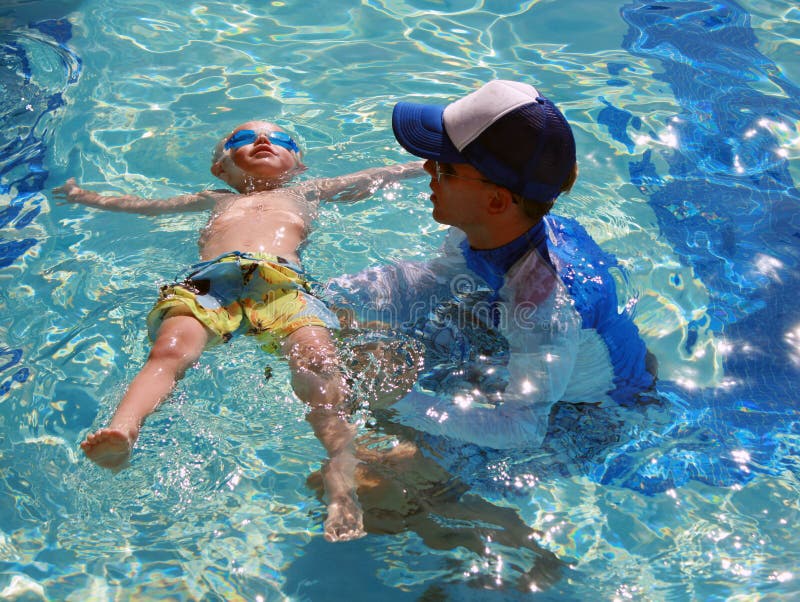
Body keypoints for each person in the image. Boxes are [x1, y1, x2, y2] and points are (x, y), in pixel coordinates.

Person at [53, 120, 424, 542]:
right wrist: (88, 198)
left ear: (298, 164)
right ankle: (125, 429)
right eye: (243, 139)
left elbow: (378, 176)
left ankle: (342, 468)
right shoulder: (214, 198)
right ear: (221, 168)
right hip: (212, 280)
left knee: (318, 360)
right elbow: (147, 206)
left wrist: (432, 164)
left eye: (281, 140)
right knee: (169, 349)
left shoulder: (307, 191)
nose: (264, 140)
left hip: (283, 282)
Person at [326, 80, 656, 450]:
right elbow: (434, 281)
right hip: (524, 352)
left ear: (497, 201)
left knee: (375, 481)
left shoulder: (544, 305)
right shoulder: (487, 228)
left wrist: (397, 398)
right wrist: (326, 296)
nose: (427, 169)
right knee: (352, 337)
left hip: (589, 417)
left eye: (445, 168)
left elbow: (522, 431)